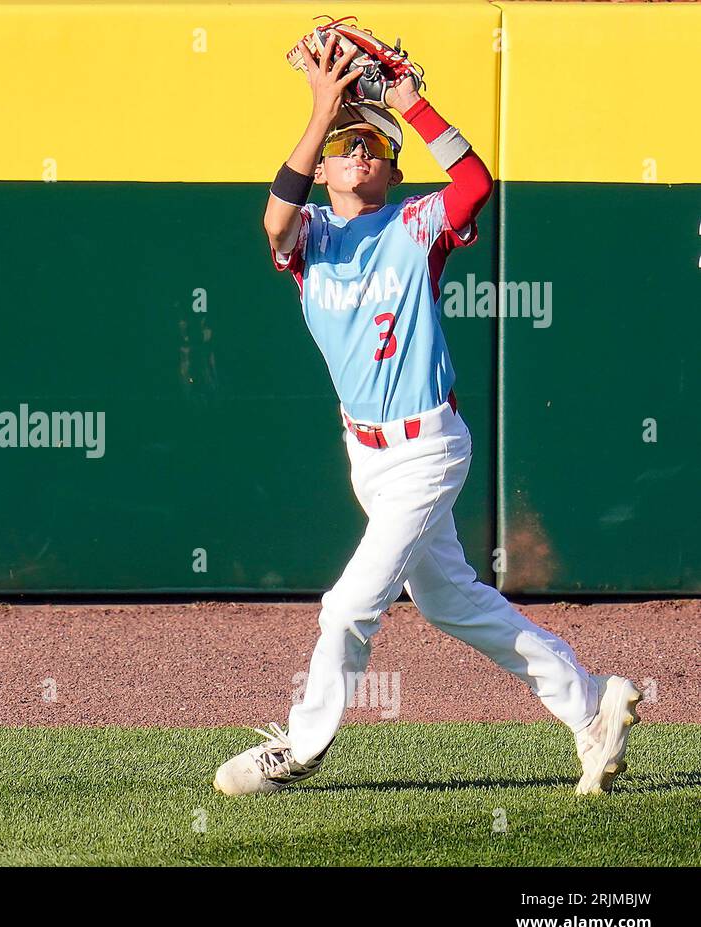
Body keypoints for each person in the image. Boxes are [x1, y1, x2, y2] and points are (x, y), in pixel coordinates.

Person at [213, 36, 640, 797]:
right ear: (328, 163)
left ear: (393, 168)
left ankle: (302, 748)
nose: (359, 153)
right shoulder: (310, 235)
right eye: (348, 144)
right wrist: (320, 113)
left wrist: (409, 100)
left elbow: (475, 184)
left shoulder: (415, 226)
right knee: (449, 600)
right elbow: (274, 221)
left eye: (375, 145)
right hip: (367, 456)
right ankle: (591, 707)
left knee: (347, 607)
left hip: (427, 447)